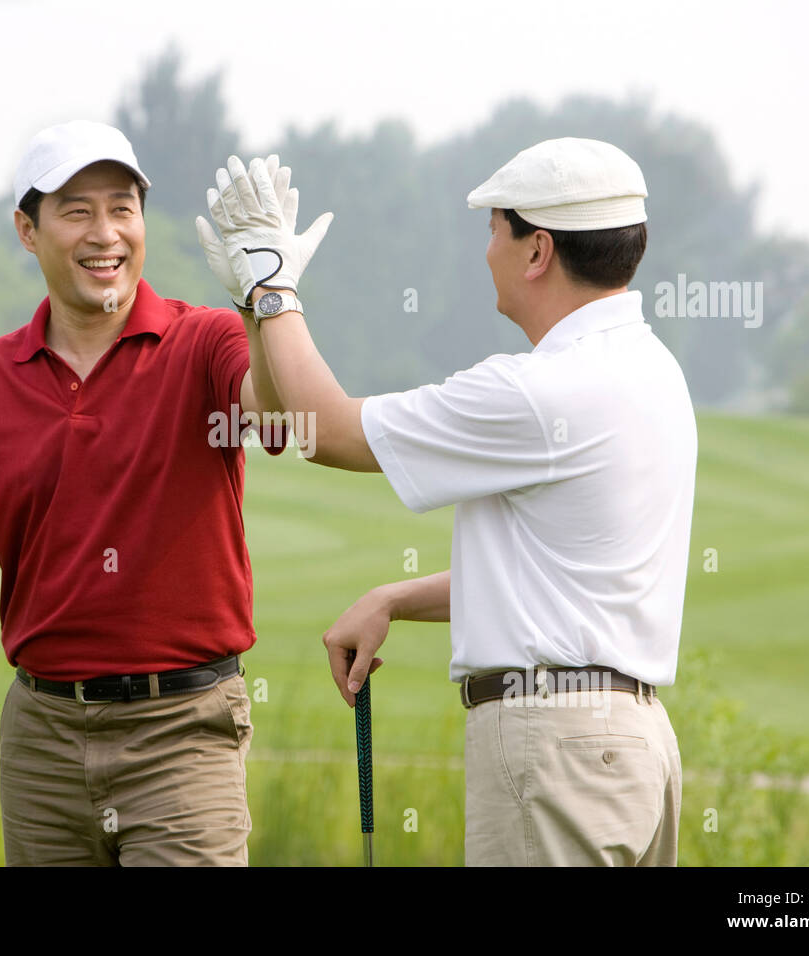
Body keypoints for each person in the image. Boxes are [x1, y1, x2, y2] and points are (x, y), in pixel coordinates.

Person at [197, 139, 696, 866]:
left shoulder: (537, 389)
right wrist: (395, 598)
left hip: (555, 746)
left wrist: (271, 289)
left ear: (538, 251)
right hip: (635, 746)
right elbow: (557, 580)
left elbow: (324, 430)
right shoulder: (654, 368)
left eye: (495, 230)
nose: (487, 251)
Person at [0, 120, 291, 866]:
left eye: (123, 208)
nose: (106, 233)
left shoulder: (209, 341)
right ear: (28, 230)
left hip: (183, 732)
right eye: (77, 211)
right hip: (43, 738)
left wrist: (267, 299)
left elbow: (283, 414)